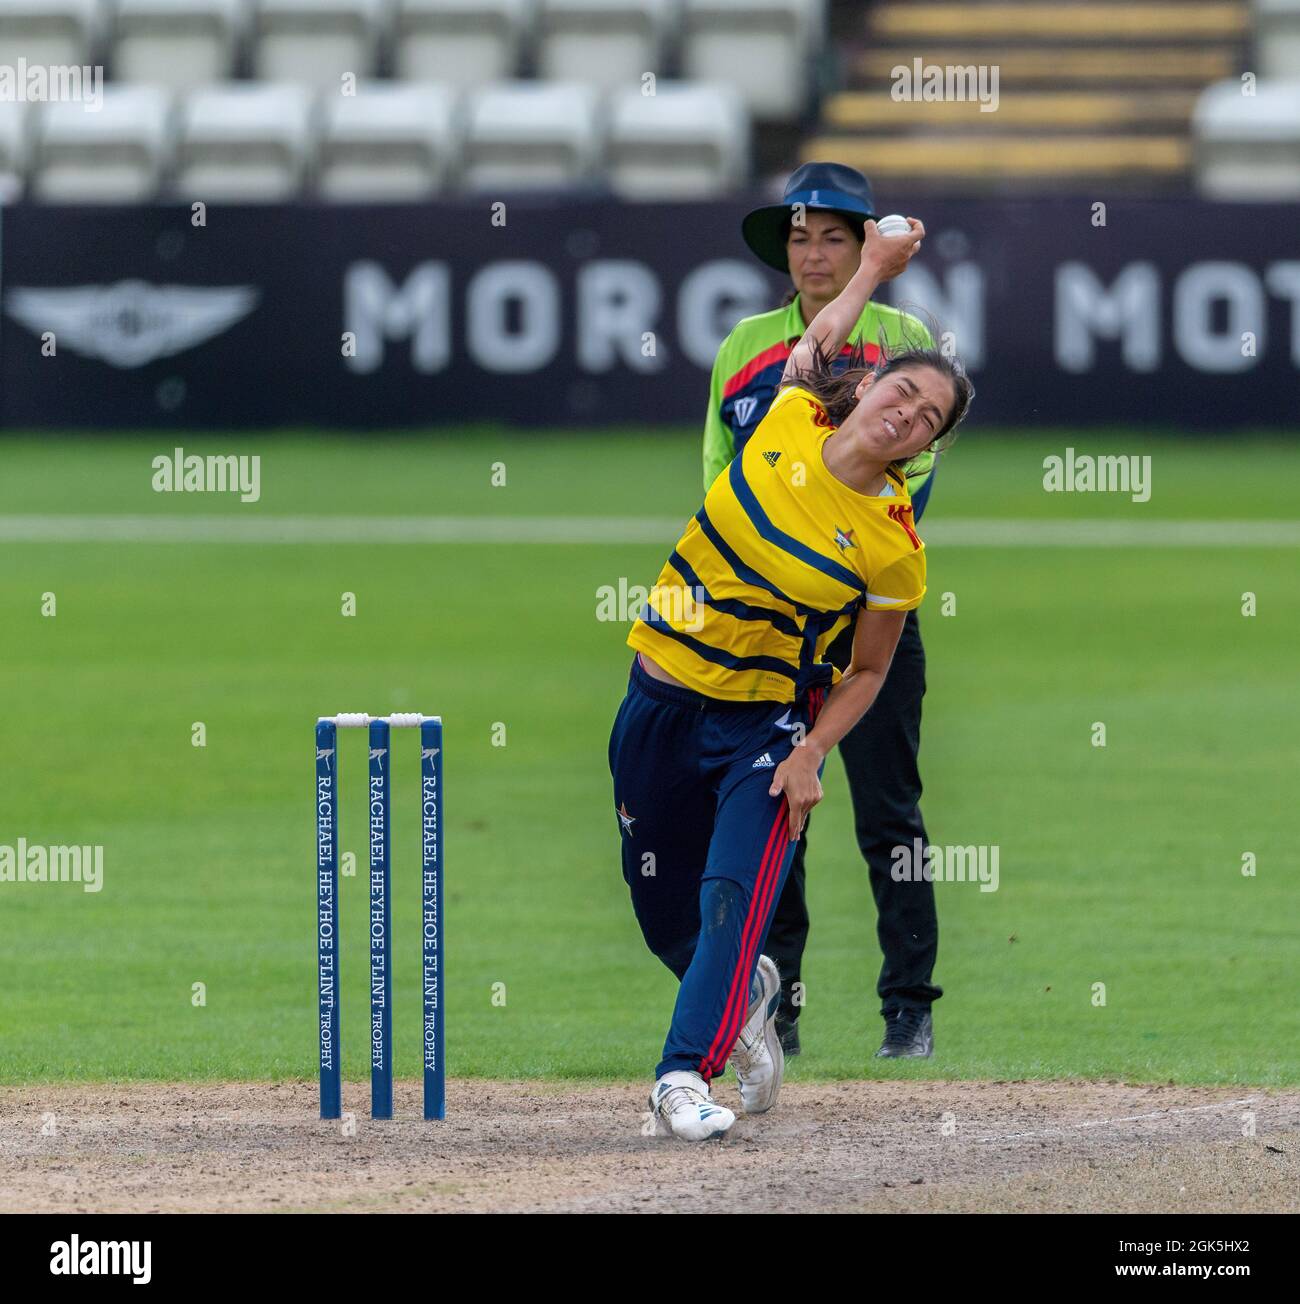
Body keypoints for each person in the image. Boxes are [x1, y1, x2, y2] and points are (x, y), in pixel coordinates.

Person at [609, 216, 973, 1141]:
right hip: (656, 702)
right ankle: (752, 998)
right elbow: (816, 337)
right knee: (664, 915)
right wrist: (878, 266)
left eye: (929, 417)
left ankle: (682, 1075)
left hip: (762, 731)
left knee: (733, 900)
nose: (909, 412)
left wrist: (812, 750)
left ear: (925, 445)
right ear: (872, 383)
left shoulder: (894, 543)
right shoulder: (790, 415)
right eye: (905, 390)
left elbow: (871, 668)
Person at [703, 161, 945, 1060]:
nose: (812, 254)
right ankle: (781, 1013)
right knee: (778, 804)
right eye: (800, 238)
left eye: (834, 238)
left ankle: (909, 1010)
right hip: (776, 621)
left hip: (871, 612)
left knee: (891, 811)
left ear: (865, 246)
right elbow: (722, 471)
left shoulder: (904, 337)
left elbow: (909, 479)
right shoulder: (744, 346)